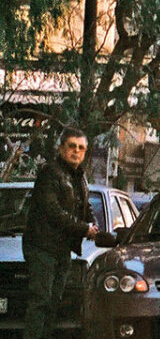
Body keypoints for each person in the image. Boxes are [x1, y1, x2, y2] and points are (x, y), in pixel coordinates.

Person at [23, 128, 97, 339]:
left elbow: (84, 206)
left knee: (53, 302)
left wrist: (92, 223)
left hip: (62, 249)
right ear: (61, 148)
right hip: (42, 247)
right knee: (41, 301)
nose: (76, 151)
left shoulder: (80, 177)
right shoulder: (50, 173)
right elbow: (52, 211)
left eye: (81, 148)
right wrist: (84, 228)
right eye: (72, 146)